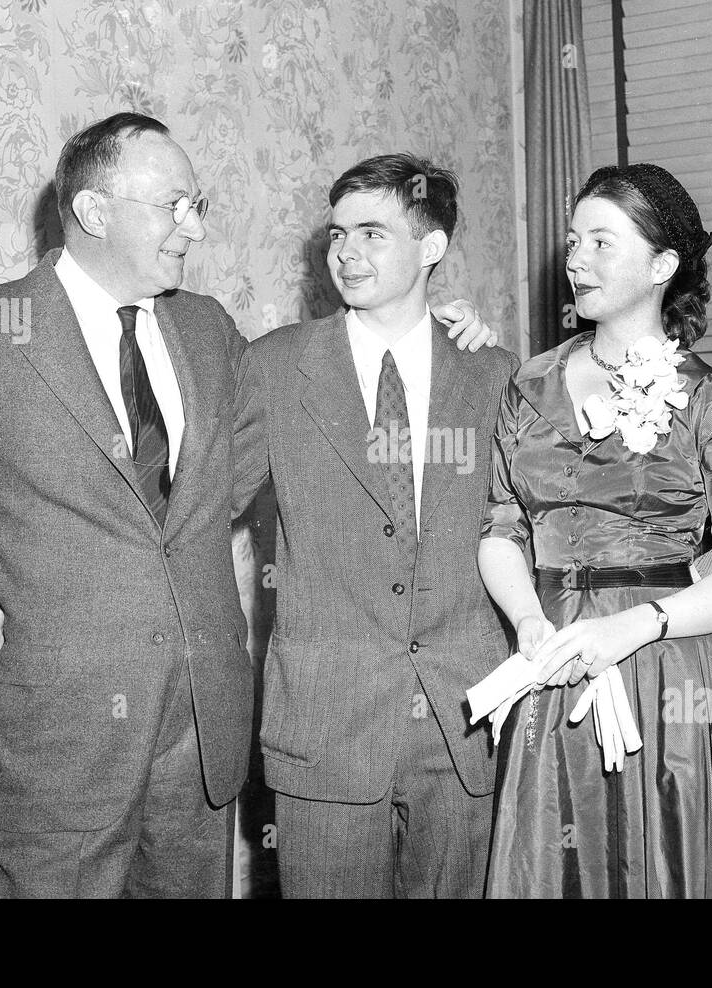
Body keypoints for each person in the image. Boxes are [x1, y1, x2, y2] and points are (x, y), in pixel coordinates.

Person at [0, 114, 492, 898]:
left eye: (200, 205)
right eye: (176, 206)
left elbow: (323, 426)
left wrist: (440, 334)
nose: (194, 227)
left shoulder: (208, 329)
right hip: (61, 750)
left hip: (198, 739)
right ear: (94, 213)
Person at [232, 153, 517, 897]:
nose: (346, 254)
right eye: (336, 235)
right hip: (325, 723)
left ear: (432, 248)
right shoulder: (273, 367)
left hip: (466, 718)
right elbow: (200, 507)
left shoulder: (494, 375)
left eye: (371, 234)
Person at [477, 163, 712, 898]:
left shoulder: (711, 401)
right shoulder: (531, 383)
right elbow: (502, 528)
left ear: (663, 265)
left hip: (668, 671)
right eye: (574, 241)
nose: (576, 260)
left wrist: (638, 625)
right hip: (555, 660)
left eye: (602, 242)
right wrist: (530, 622)